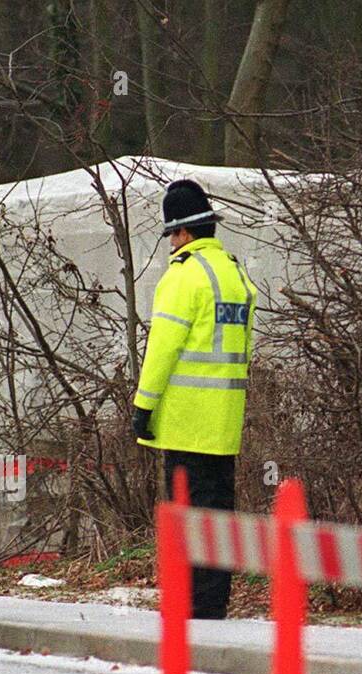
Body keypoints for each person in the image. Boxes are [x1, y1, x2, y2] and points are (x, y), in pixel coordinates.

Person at [131, 179, 257, 619]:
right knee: (218, 517)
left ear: (183, 232)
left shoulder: (183, 277)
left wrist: (143, 406)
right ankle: (212, 604)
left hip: (186, 423)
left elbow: (162, 348)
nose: (170, 243)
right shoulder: (236, 276)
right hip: (224, 425)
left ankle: (191, 608)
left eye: (171, 234)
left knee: (187, 516)